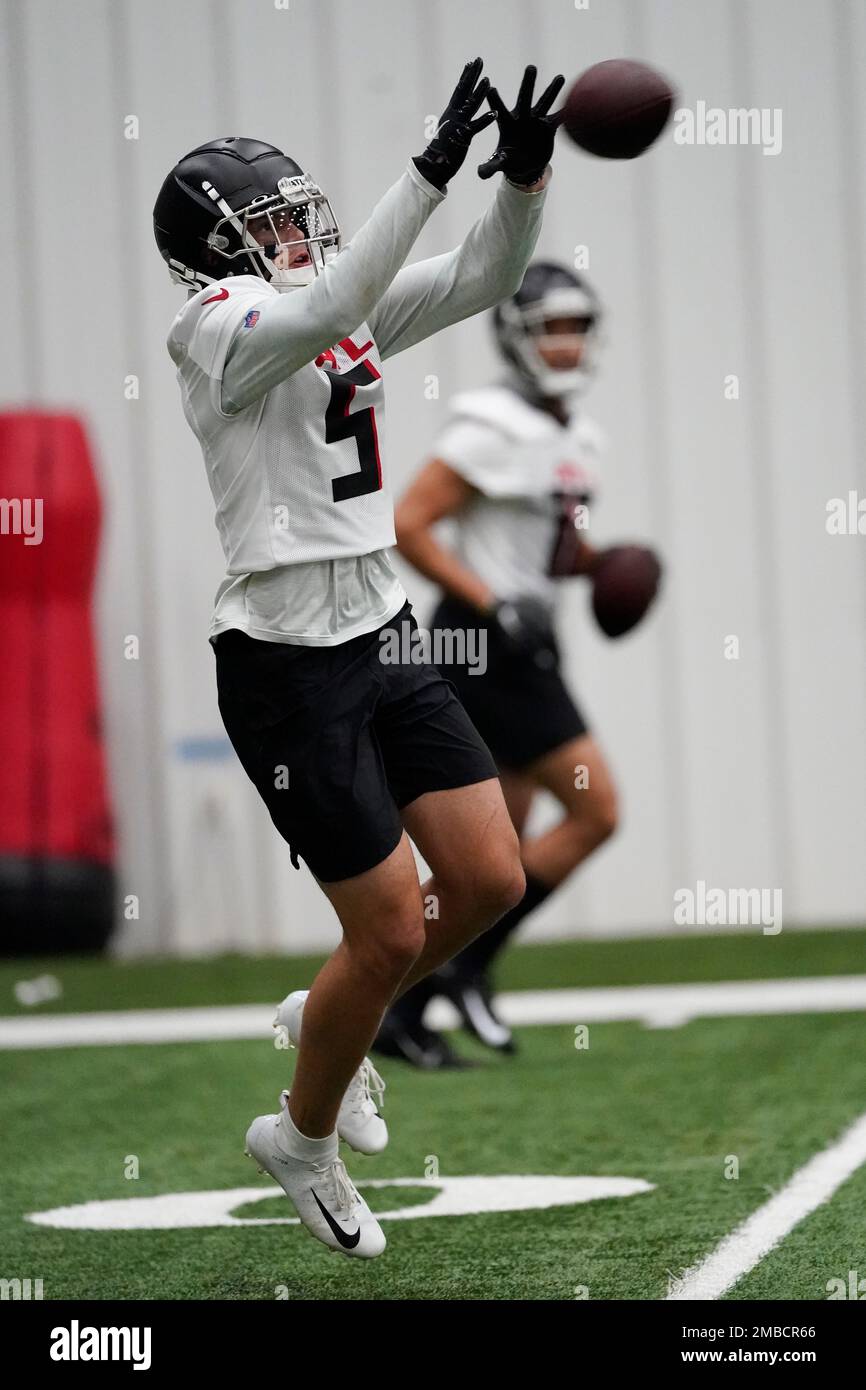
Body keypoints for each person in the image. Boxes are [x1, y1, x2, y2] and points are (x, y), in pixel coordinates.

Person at [153, 60, 564, 1258]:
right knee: (385, 929)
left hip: (380, 628)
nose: (296, 233)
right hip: (286, 661)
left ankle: (337, 1005)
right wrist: (430, 171)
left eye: (298, 216)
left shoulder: (339, 296)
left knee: (489, 879)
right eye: (270, 224)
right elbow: (330, 308)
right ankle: (302, 1135)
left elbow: (488, 273)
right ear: (213, 250)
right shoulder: (212, 332)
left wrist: (525, 178)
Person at [375, 262, 619, 1068]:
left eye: (578, 326)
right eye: (553, 326)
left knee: (493, 858)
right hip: (478, 645)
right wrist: (491, 601)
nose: (568, 342)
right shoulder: (490, 423)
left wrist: (606, 568)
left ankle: (405, 1005)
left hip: (524, 644)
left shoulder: (577, 432)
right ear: (516, 336)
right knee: (594, 812)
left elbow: (552, 547)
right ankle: (464, 969)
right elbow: (409, 523)